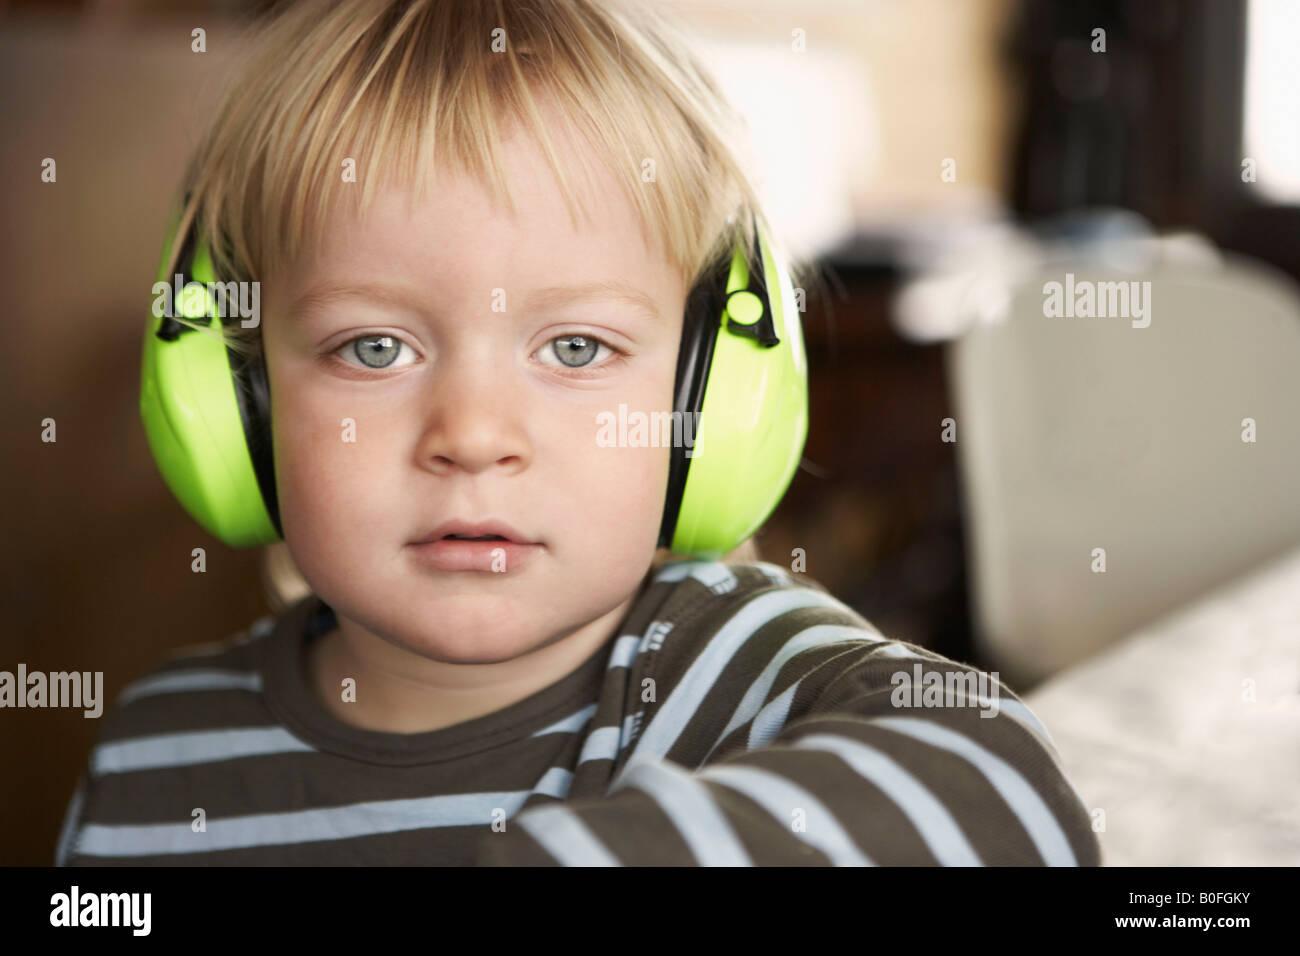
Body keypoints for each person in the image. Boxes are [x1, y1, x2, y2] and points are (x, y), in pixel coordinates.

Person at [56, 0, 1100, 866]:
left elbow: (1005, 793)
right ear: (235, 402)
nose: (471, 434)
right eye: (373, 347)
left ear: (712, 398)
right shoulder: (153, 757)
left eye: (575, 348)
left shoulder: (726, 667)